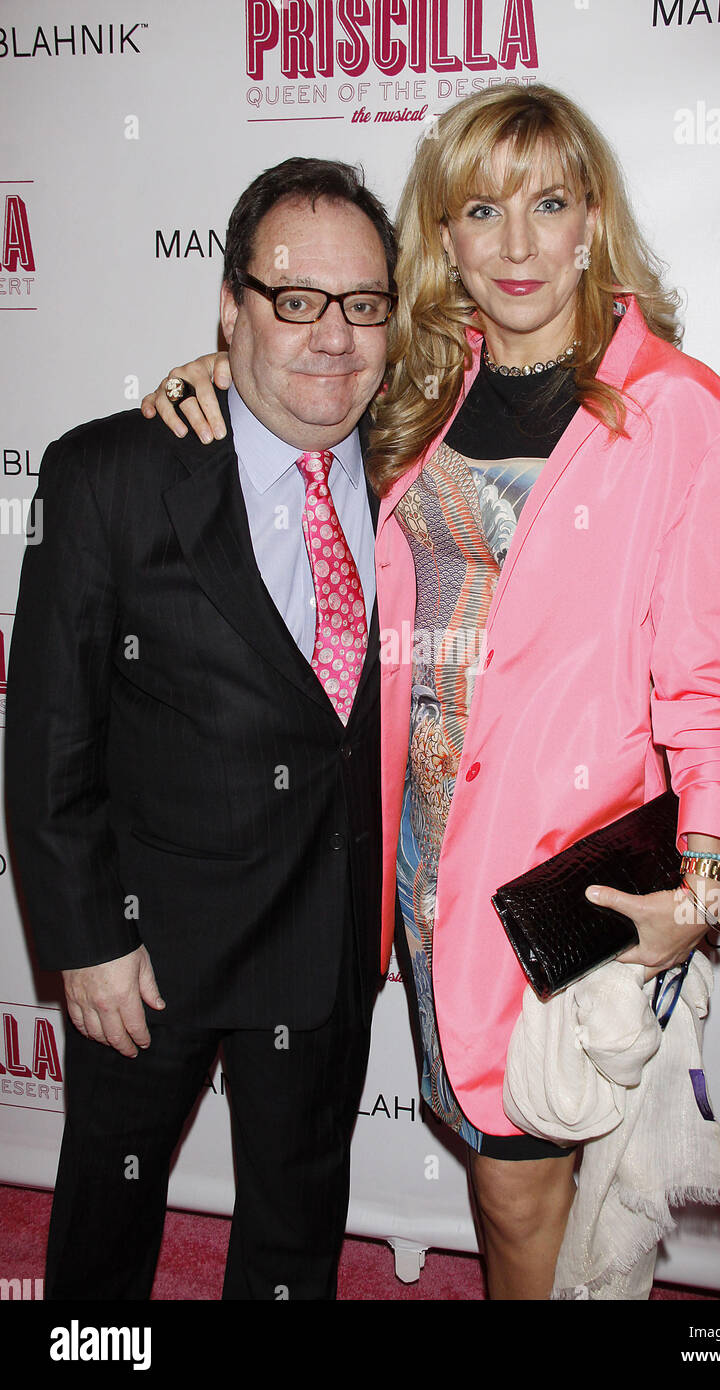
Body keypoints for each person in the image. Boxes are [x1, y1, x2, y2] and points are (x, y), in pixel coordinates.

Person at [142, 84, 720, 1301]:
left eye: (548, 203)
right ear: (445, 233)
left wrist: (702, 892)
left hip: (562, 888)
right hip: (414, 881)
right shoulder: (415, 400)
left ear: (592, 216)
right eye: (483, 210)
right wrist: (210, 376)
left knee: (521, 1192)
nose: (519, 245)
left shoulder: (681, 415)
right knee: (500, 1178)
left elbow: (718, 687)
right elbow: (290, 403)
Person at [5, 157, 398, 1300]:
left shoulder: (419, 466)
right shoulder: (111, 475)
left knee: (295, 1228)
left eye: (362, 304)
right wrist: (83, 940)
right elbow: (50, 735)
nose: (332, 334)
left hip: (326, 936)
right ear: (230, 306)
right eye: (294, 299)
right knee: (104, 1228)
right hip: (150, 946)